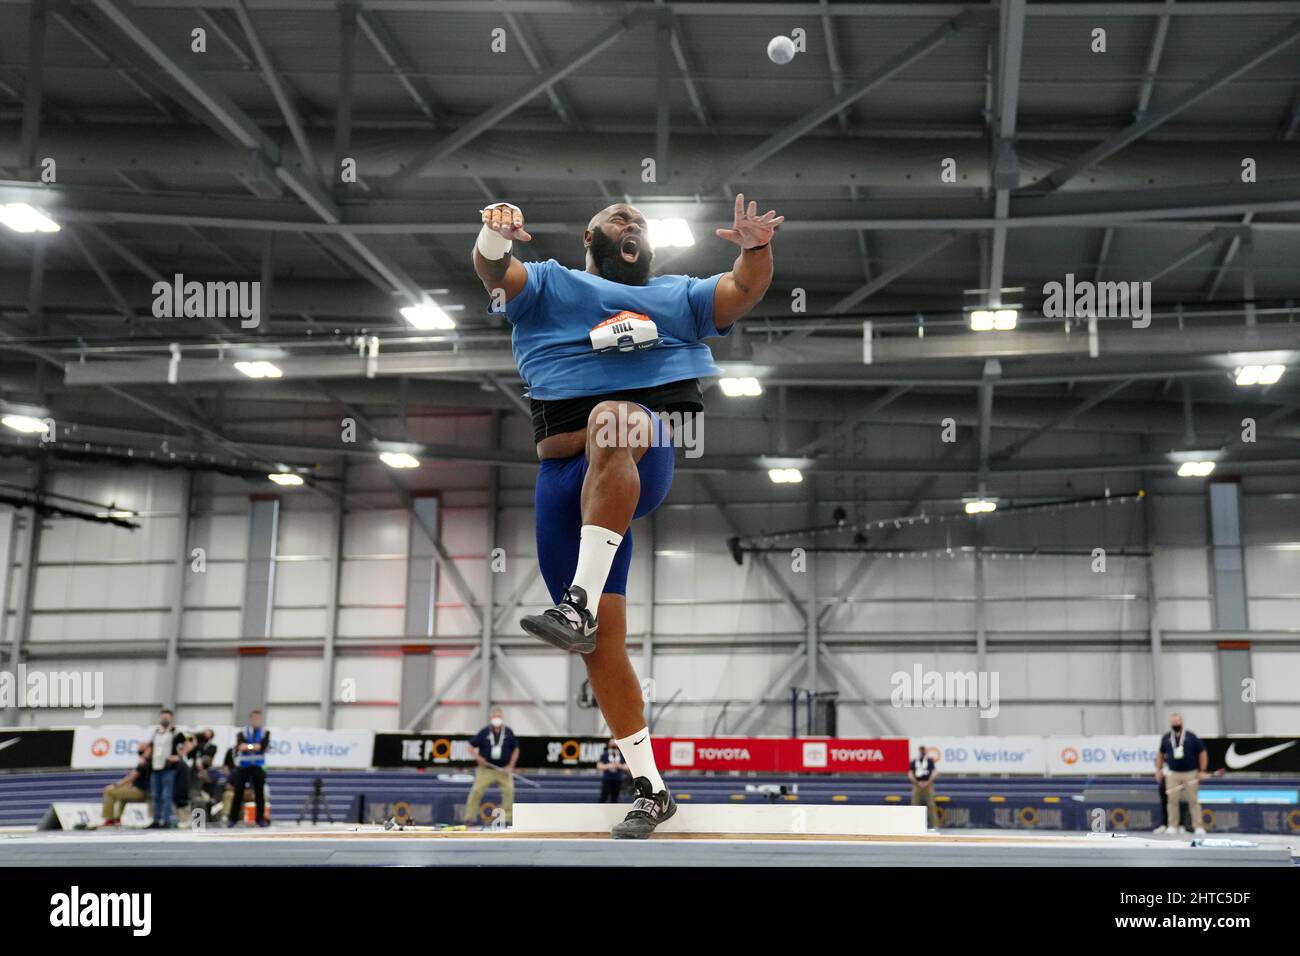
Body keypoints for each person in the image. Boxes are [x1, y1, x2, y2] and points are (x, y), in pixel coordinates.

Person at [473, 193, 782, 838]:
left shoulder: (681, 296)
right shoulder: (554, 283)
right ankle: (652, 788)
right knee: (602, 649)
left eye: (637, 222)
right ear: (590, 238)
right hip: (563, 480)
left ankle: (577, 599)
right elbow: (495, 273)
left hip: (642, 445)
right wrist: (496, 238)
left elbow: (743, 289)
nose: (630, 223)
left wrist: (756, 247)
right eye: (616, 219)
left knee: (613, 417)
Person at [1154, 711, 1207, 835]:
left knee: (1193, 800)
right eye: (1173, 722)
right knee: (1172, 800)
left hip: (1190, 773)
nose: (1176, 723)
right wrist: (1158, 769)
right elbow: (1160, 754)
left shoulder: (1191, 736)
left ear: (1182, 722)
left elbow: (1202, 752)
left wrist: (1202, 770)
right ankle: (1172, 825)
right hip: (1173, 773)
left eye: (1178, 721)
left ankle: (1198, 826)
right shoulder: (1166, 737)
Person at [464, 707, 520, 826]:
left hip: (503, 769)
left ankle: (507, 818)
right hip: (486, 769)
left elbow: (516, 749)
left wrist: (511, 766)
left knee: (509, 791)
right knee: (476, 791)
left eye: (498, 717)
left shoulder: (508, 732)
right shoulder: (484, 731)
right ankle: (470, 817)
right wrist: (479, 759)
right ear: (490, 718)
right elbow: (470, 746)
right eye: (494, 717)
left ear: (502, 717)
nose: (497, 719)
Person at [147, 709, 189, 829]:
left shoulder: (176, 732)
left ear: (171, 719)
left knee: (166, 795)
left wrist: (179, 755)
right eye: (163, 717)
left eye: (167, 717)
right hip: (155, 766)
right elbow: (151, 746)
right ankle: (156, 819)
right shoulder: (156, 732)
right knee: (155, 795)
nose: (165, 719)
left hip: (168, 768)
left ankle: (165, 820)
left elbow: (189, 743)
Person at [229, 710, 271, 827]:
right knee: (238, 792)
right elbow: (241, 746)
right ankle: (233, 819)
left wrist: (249, 746)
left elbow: (262, 747)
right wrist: (254, 746)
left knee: (259, 793)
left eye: (259, 718)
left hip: (258, 766)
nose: (256, 720)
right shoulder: (242, 732)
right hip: (244, 766)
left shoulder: (265, 732)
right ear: (250, 719)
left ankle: (260, 819)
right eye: (254, 718)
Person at [101, 742, 152, 827]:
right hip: (145, 791)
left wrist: (115, 785)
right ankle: (117, 819)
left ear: (148, 749)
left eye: (142, 748)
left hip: (142, 792)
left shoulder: (144, 762)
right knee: (123, 794)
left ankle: (109, 819)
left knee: (109, 792)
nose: (139, 750)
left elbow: (132, 776)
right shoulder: (150, 761)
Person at [908, 744, 939, 829]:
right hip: (917, 785)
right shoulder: (914, 761)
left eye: (923, 750)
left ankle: (935, 825)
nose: (922, 752)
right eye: (921, 750)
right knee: (914, 805)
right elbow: (910, 773)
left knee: (931, 805)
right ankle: (913, 825)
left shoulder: (929, 761)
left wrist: (928, 782)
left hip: (928, 785)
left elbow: (934, 772)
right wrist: (916, 782)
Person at [597, 737, 629, 803]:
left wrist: (619, 766)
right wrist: (608, 766)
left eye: (614, 743)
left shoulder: (621, 754)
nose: (613, 744)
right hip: (607, 779)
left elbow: (627, 767)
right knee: (604, 797)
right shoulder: (605, 754)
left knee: (615, 797)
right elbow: (599, 766)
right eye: (612, 743)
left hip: (618, 779)